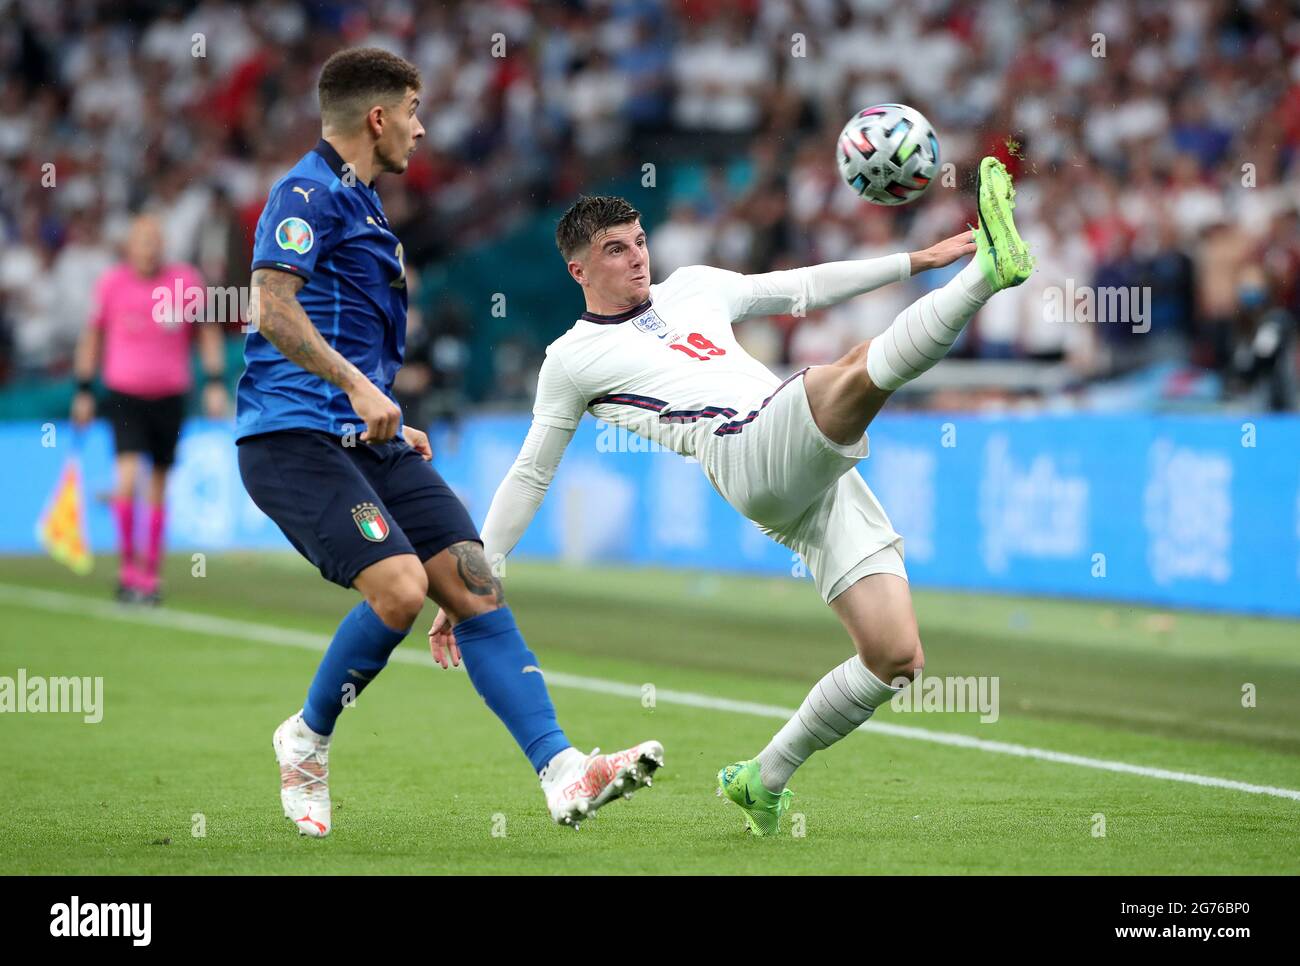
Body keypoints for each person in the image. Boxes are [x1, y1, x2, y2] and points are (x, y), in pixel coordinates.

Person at [428, 158, 1033, 835]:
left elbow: (801, 285)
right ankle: (988, 275)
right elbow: (532, 471)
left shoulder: (693, 286)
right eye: (616, 250)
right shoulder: (570, 360)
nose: (636, 259)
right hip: (746, 451)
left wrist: (919, 259)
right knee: (855, 372)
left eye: (639, 242)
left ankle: (763, 778)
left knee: (895, 658)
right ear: (579, 271)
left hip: (804, 462)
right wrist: (480, 576)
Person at [236, 47, 660, 838]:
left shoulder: (363, 206)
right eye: (413, 111)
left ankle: (563, 772)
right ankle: (305, 739)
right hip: (293, 436)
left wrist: (381, 401)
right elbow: (270, 306)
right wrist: (361, 390)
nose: (421, 129)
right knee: (399, 591)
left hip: (367, 437)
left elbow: (345, 330)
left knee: (474, 584)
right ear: (377, 116)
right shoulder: (308, 191)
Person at [71, 214, 227, 604]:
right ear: (129, 246)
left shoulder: (185, 281)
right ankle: (127, 569)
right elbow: (93, 337)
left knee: (158, 483)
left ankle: (150, 575)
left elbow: (206, 333)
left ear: (163, 244)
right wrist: (85, 390)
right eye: (142, 240)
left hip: (170, 396)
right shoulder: (112, 284)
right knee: (125, 479)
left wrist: (213, 383)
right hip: (125, 395)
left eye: (154, 240)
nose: (149, 248)